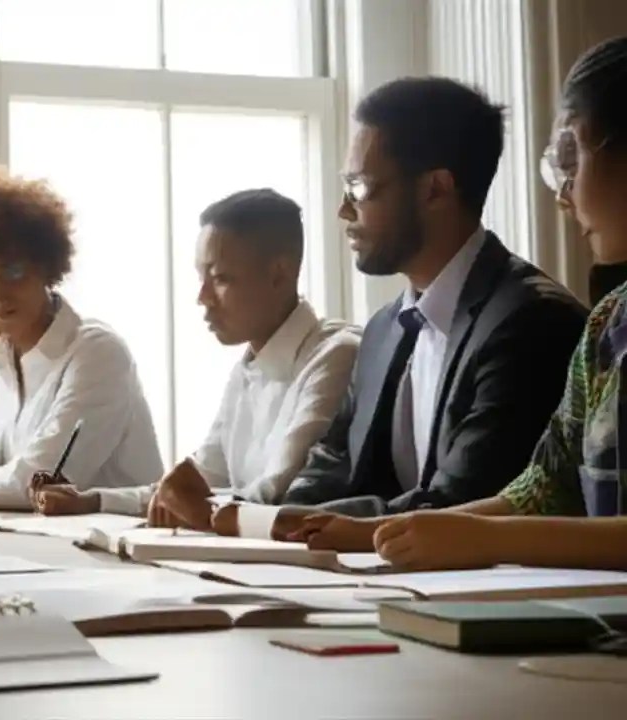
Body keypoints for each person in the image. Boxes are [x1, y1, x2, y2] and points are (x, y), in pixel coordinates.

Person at [153, 77, 588, 532]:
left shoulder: (531, 323)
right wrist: (258, 523)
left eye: (359, 188)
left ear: (436, 189)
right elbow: (329, 473)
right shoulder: (385, 330)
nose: (344, 210)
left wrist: (239, 519)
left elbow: (456, 505)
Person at [294, 38, 627, 571]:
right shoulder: (609, 322)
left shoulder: (535, 320)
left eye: (572, 157)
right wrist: (368, 530)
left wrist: (483, 538)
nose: (564, 193)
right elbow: (542, 488)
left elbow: (487, 507)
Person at [30, 189, 359, 522]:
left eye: (219, 278)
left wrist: (197, 506)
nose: (202, 297)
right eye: (202, 278)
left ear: (280, 274)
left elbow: (282, 495)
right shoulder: (247, 369)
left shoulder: (335, 356)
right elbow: (200, 480)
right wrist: (91, 501)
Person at [0, 165, 163, 510]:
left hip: (112, 556)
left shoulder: (96, 352)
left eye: (13, 272)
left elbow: (30, 484)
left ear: (46, 266)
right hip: (29, 551)